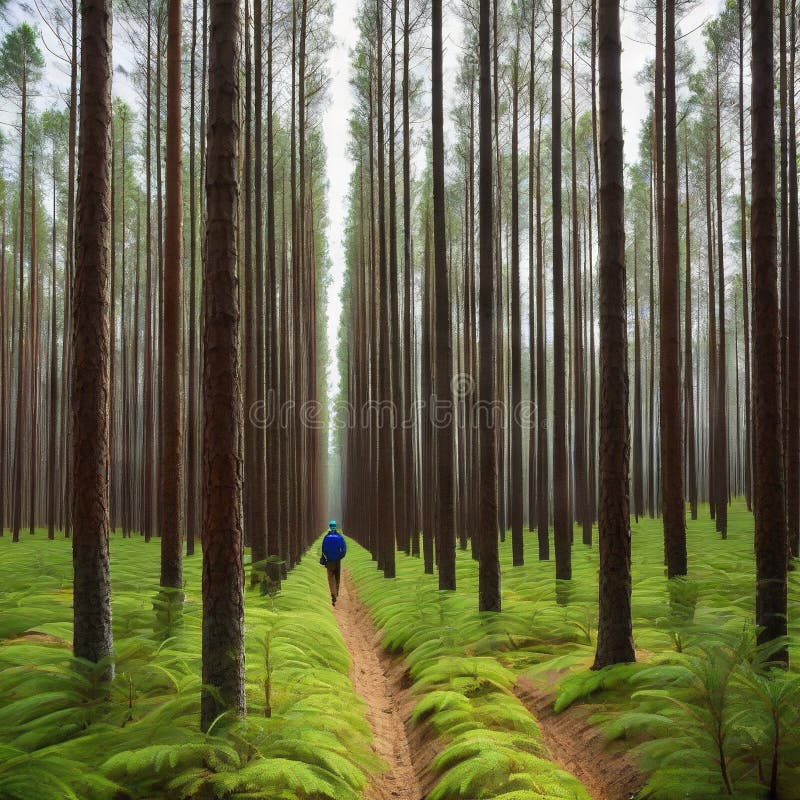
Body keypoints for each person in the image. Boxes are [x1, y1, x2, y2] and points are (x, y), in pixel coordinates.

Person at [320, 520, 347, 606]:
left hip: (329, 561)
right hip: (337, 560)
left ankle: (333, 594)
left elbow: (323, 549)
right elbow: (344, 549)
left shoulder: (326, 537)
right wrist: (340, 556)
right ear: (335, 526)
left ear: (329, 526)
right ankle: (336, 593)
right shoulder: (340, 537)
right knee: (337, 577)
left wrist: (326, 557)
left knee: (330, 578)